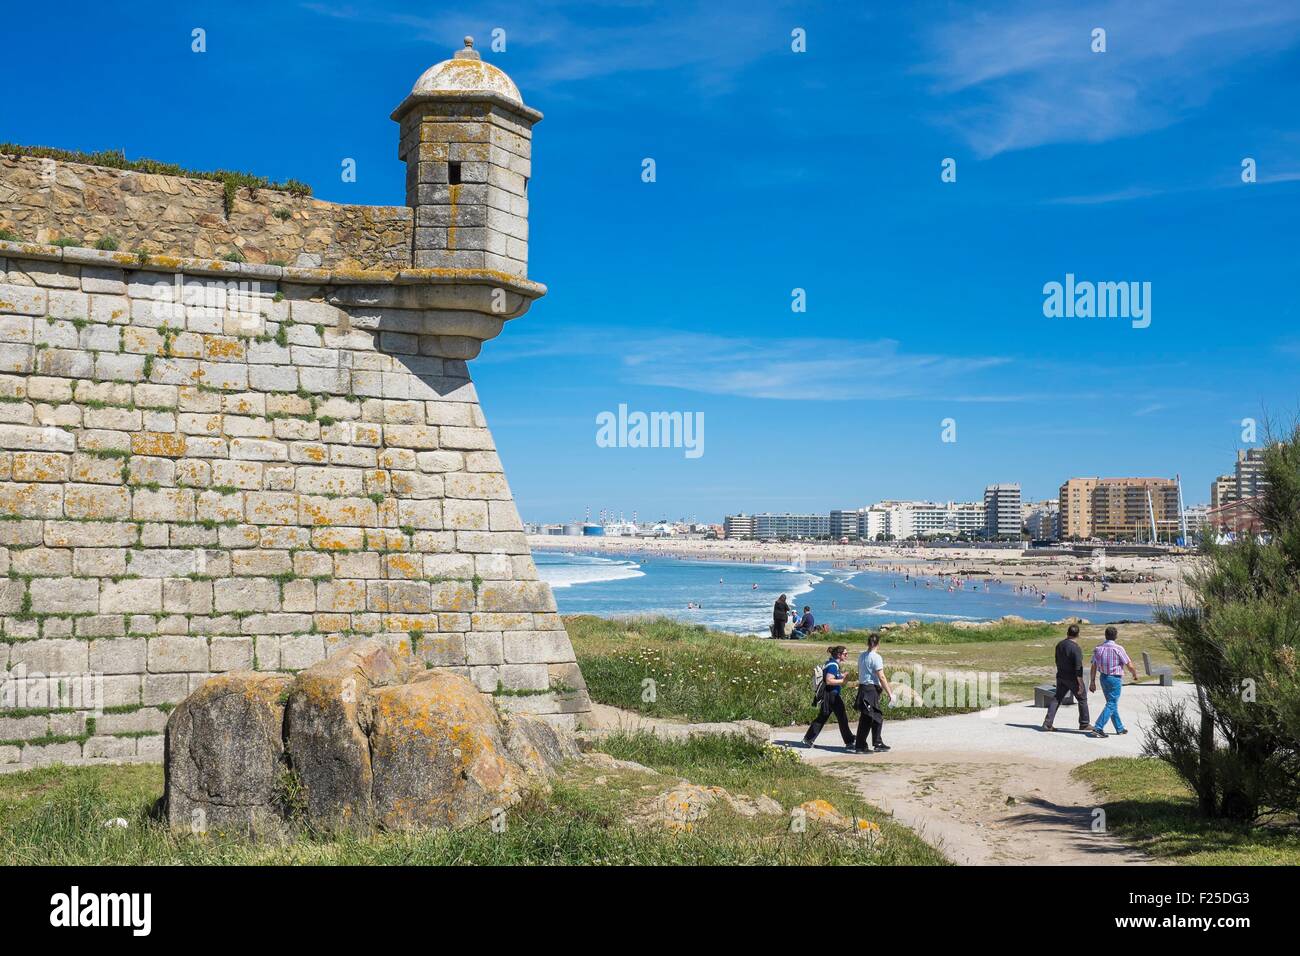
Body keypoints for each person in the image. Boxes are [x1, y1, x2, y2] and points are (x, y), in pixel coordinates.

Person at [1089, 626, 1138, 737]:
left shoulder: (1098, 648)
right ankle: (1098, 727)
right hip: (1114, 679)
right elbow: (1129, 664)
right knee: (1111, 703)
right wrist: (1134, 674)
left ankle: (1119, 728)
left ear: (1105, 635)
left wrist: (1092, 681)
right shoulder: (1118, 648)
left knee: (1111, 703)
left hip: (1103, 678)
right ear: (1115, 636)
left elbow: (1093, 665)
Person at [803, 645, 855, 750]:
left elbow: (832, 677)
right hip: (832, 695)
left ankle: (808, 739)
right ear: (839, 655)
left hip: (828, 695)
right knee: (842, 718)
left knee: (823, 716)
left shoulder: (831, 663)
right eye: (845, 654)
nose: (847, 655)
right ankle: (849, 741)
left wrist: (841, 675)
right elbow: (829, 680)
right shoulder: (833, 665)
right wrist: (842, 681)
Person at [1041, 624, 1090, 732]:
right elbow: (1078, 668)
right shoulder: (1075, 648)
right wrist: (1080, 683)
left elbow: (1056, 660)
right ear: (1078, 634)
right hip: (1072, 678)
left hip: (1061, 675)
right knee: (1082, 699)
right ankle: (1084, 723)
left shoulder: (1060, 645)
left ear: (1067, 633)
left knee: (1057, 698)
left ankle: (1047, 723)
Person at [853, 634, 892, 752]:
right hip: (870, 690)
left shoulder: (862, 656)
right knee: (871, 717)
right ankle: (863, 745)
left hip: (863, 688)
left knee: (872, 717)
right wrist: (890, 693)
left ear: (868, 643)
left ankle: (875, 742)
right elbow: (882, 677)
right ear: (878, 644)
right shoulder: (876, 657)